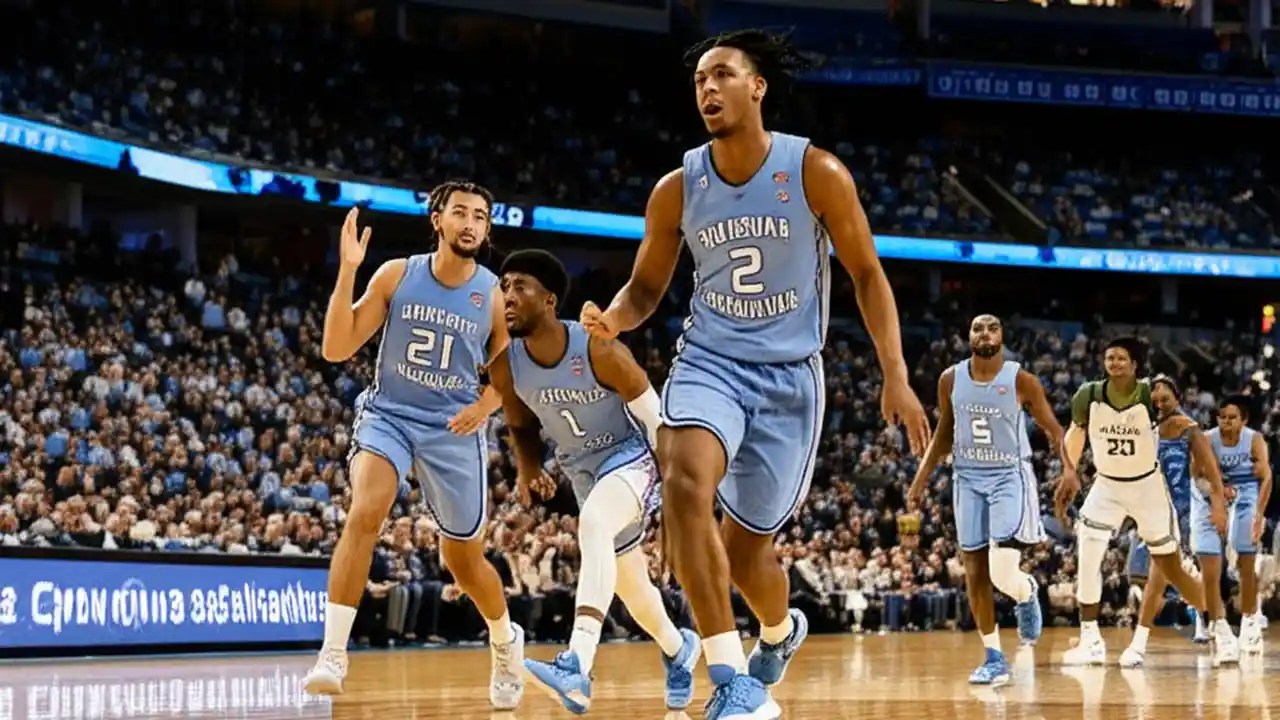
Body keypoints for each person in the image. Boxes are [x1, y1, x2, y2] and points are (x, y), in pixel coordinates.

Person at [579, 28, 930, 720]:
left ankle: (778, 630)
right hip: (710, 360)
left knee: (748, 559)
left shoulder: (815, 172)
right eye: (700, 81)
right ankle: (732, 680)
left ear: (757, 85)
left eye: (722, 75)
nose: (708, 89)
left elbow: (865, 273)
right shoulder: (677, 188)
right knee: (683, 483)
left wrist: (895, 372)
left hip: (789, 378)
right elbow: (646, 290)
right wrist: (615, 319)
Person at [304, 182, 526, 709]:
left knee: (464, 563)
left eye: (480, 216)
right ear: (438, 220)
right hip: (391, 416)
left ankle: (503, 641)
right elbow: (336, 348)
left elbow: (510, 369)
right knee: (366, 510)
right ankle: (333, 652)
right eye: (460, 213)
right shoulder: (397, 274)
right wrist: (347, 269)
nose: (471, 222)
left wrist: (488, 404)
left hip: (453, 430)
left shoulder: (495, 294)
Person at [478, 249, 701, 714]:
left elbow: (656, 419)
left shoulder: (598, 347)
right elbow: (520, 424)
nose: (509, 296)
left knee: (596, 523)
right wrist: (528, 468)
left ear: (549, 300)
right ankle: (680, 650)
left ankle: (576, 662)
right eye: (504, 288)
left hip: (633, 457)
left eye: (521, 287)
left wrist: (678, 504)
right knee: (632, 588)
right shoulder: (505, 364)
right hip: (582, 470)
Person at [908, 314, 1062, 687]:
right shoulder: (950, 379)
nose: (985, 333)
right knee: (974, 572)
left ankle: (1026, 593)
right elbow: (944, 432)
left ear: (1002, 336)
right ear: (969, 336)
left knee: (1001, 571)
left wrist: (1069, 470)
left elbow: (1053, 428)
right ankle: (993, 655)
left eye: (992, 327)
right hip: (967, 478)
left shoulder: (1021, 379)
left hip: (1009, 475)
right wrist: (921, 478)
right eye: (978, 327)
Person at [1056, 337, 1226, 666]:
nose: (1114, 362)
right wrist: (1068, 470)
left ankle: (1218, 621)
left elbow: (1180, 418)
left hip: (1147, 486)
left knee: (1172, 569)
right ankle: (1090, 639)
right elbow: (1077, 433)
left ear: (1135, 364)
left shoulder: (1151, 396)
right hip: (1106, 484)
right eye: (1110, 357)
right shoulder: (1088, 395)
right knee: (1088, 551)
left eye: (1121, 358)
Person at [1119, 375, 1225, 667]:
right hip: (1152, 510)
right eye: (1155, 401)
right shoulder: (1146, 430)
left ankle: (1139, 643)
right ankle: (1219, 624)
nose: (1160, 404)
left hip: (1182, 514)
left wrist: (1217, 505)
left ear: (1177, 398)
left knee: (1158, 577)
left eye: (1165, 399)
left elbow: (1210, 472)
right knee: (1155, 579)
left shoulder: (1189, 429)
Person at [1194, 395, 1271, 659]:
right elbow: (1197, 474)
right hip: (1210, 494)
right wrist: (1216, 498)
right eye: (1222, 417)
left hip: (1246, 494)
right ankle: (1217, 625)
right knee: (1210, 563)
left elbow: (1266, 478)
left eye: (1232, 417)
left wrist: (1259, 515)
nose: (1226, 422)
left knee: (1246, 558)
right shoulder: (1206, 439)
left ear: (1243, 420)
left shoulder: (1254, 440)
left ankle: (1250, 622)